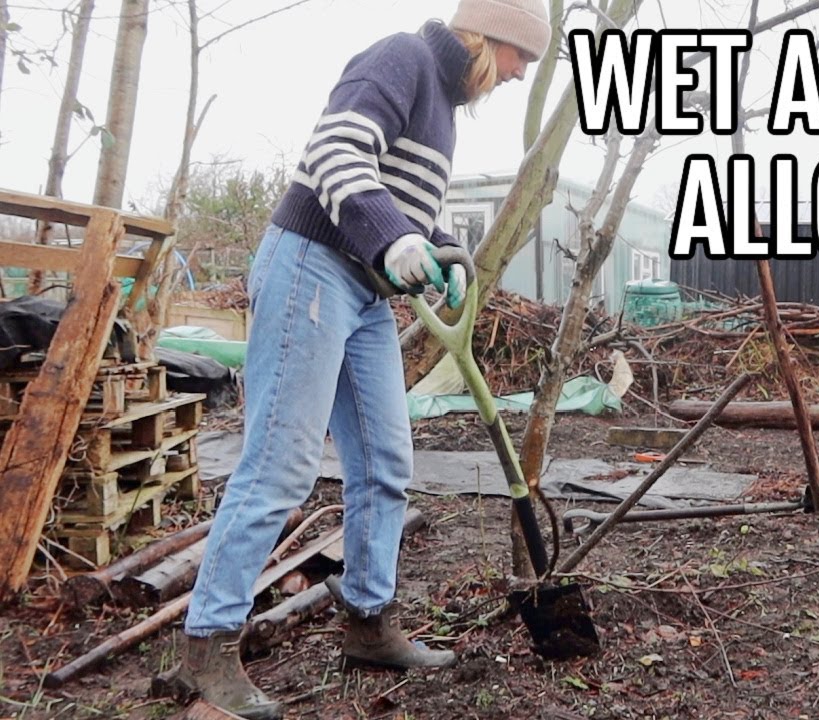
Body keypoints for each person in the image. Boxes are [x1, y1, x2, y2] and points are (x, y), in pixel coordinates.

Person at [162, 2, 551, 718]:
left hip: (366, 290)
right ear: (489, 36)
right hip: (311, 265)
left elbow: (401, 201)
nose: (521, 74)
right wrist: (392, 238)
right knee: (280, 464)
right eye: (521, 56)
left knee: (385, 461)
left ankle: (369, 623)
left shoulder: (443, 104)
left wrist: (437, 245)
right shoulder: (403, 57)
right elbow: (337, 153)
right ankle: (206, 646)